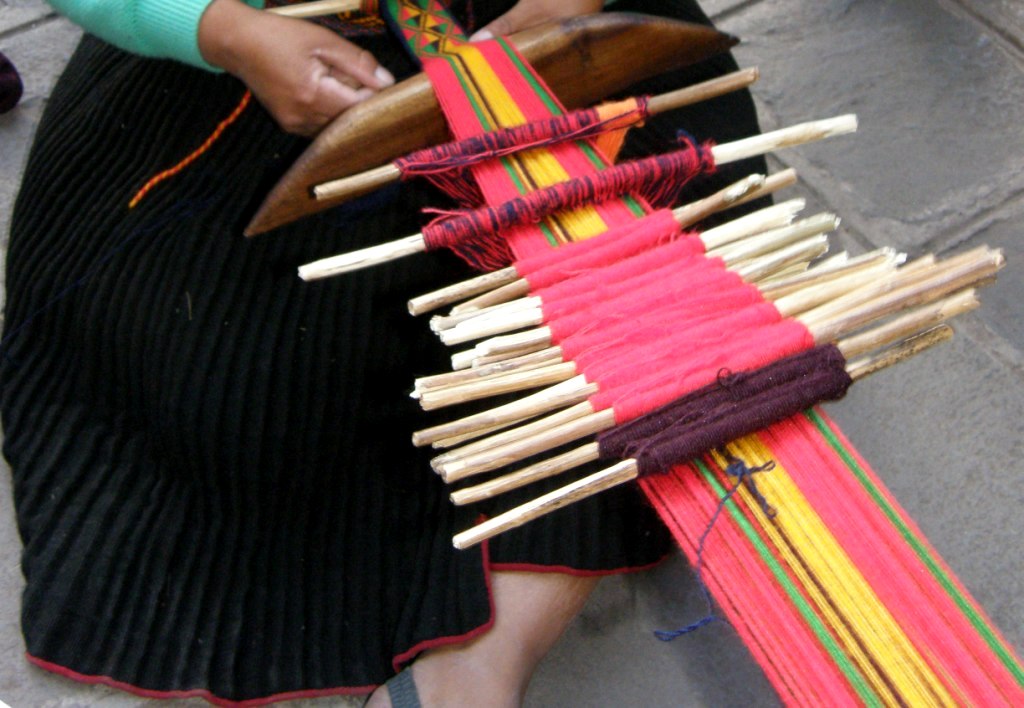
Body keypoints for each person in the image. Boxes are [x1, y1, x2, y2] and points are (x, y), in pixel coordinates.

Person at [1, 0, 767, 704]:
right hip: (266, 67)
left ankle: (479, 664)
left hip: (555, 40)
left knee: (648, 318)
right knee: (247, 379)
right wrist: (221, 29)